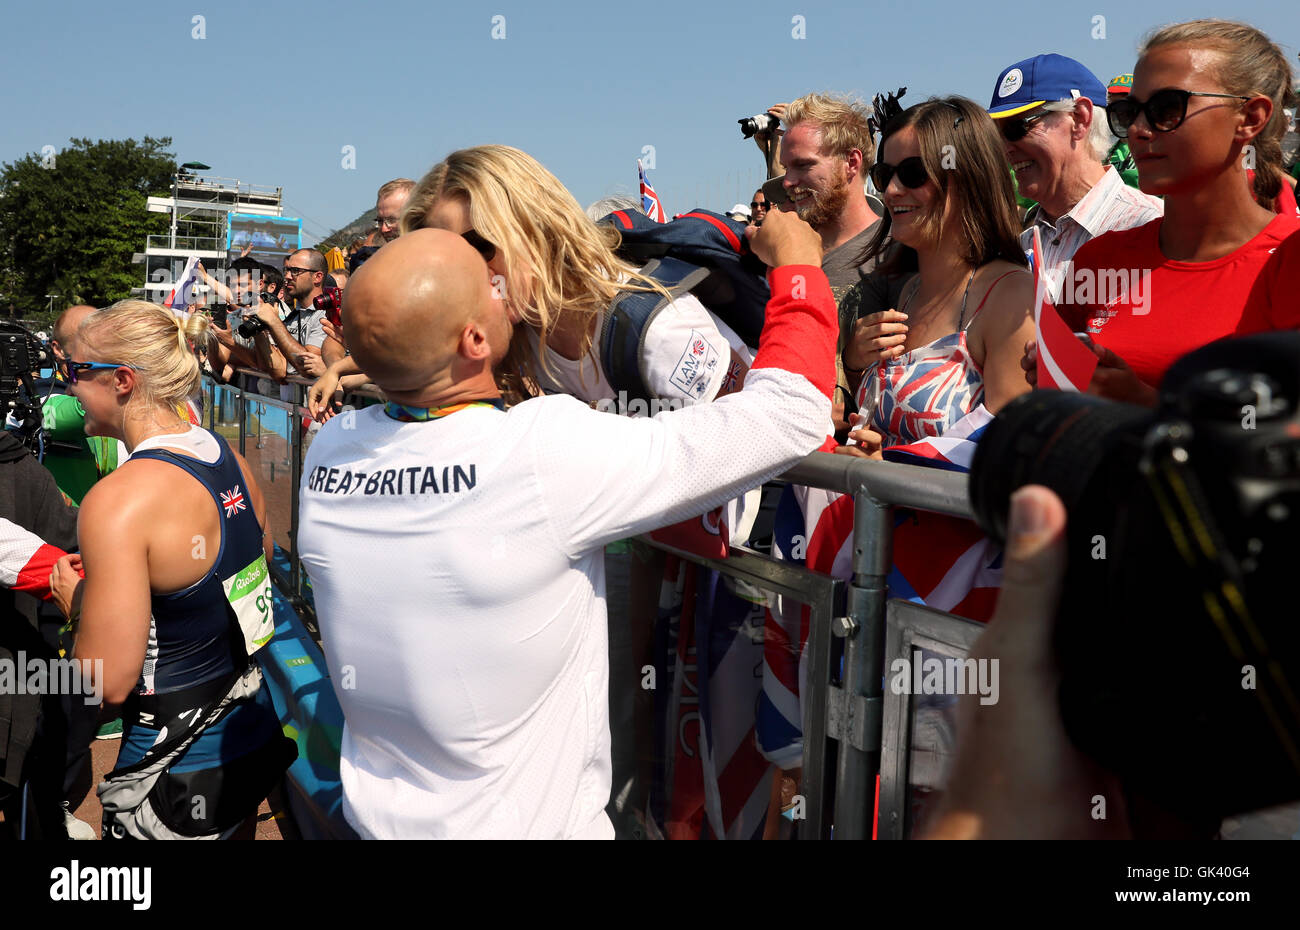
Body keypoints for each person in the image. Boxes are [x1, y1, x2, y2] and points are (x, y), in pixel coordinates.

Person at [295, 210, 836, 839]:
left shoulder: (334, 447)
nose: (504, 282)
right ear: (474, 342)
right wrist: (799, 268)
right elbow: (788, 414)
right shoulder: (539, 454)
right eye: (487, 282)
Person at [67, 300, 294, 839]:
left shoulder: (118, 502)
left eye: (76, 372)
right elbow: (249, 574)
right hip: (243, 742)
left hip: (167, 776)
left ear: (121, 379)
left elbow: (105, 683)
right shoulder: (223, 452)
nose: (67, 387)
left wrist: (79, 602)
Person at [1024, 19, 1300, 405]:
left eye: (1167, 108)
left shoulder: (1288, 260)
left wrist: (1144, 406)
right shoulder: (1101, 258)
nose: (1139, 128)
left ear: (1251, 118)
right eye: (1128, 112)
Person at [841, 96, 1036, 453]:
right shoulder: (909, 290)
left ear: (969, 177)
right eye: (884, 175)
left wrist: (893, 471)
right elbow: (892, 419)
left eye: (914, 173)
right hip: (880, 508)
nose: (891, 190)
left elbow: (1010, 459)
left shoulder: (1011, 296)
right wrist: (854, 364)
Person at [987, 54, 1163, 303]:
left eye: (1017, 129)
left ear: (1079, 119)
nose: (1005, 148)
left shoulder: (1152, 227)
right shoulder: (1016, 251)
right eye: (998, 135)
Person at [1104, 72, 1143, 186]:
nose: (1119, 112)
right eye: (1112, 105)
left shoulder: (1157, 145)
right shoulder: (1105, 149)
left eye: (1124, 105)